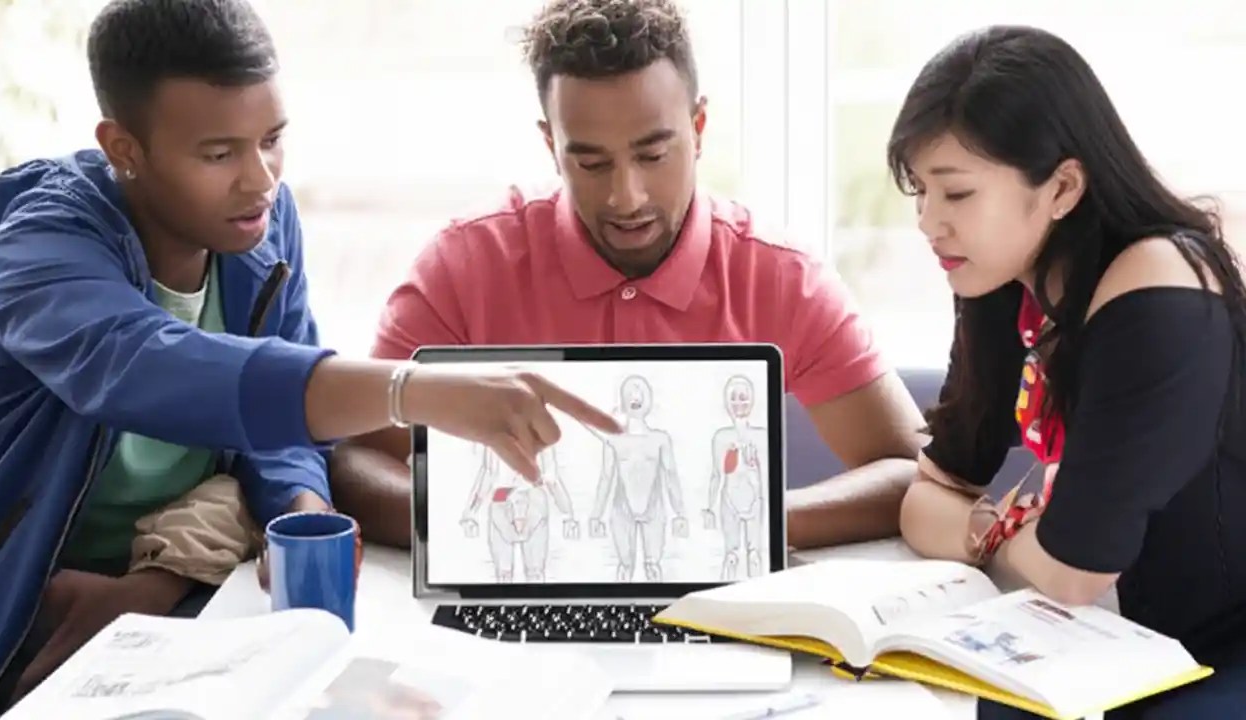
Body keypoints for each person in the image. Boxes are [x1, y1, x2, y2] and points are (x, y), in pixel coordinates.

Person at [0, 1, 617, 716]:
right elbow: (149, 366)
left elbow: (282, 419)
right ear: (124, 147)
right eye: (219, 154)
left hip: (186, 596)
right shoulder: (42, 244)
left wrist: (300, 507)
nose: (260, 180)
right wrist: (414, 391)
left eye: (272, 139)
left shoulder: (262, 227)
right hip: (22, 604)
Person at [329, 0, 926, 552]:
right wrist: (478, 527)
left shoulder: (779, 276)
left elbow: (911, 471)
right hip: (518, 573)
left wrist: (746, 523)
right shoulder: (463, 265)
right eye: (590, 162)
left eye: (652, 154)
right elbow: (358, 458)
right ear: (550, 144)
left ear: (698, 129)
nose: (626, 196)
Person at [891, 25, 1246, 717]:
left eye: (956, 194)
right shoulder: (999, 275)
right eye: (920, 191)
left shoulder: (1159, 286)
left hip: (1220, 647)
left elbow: (1075, 570)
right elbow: (930, 490)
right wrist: (997, 533)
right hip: (1116, 642)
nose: (929, 222)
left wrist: (981, 532)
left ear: (1062, 186)